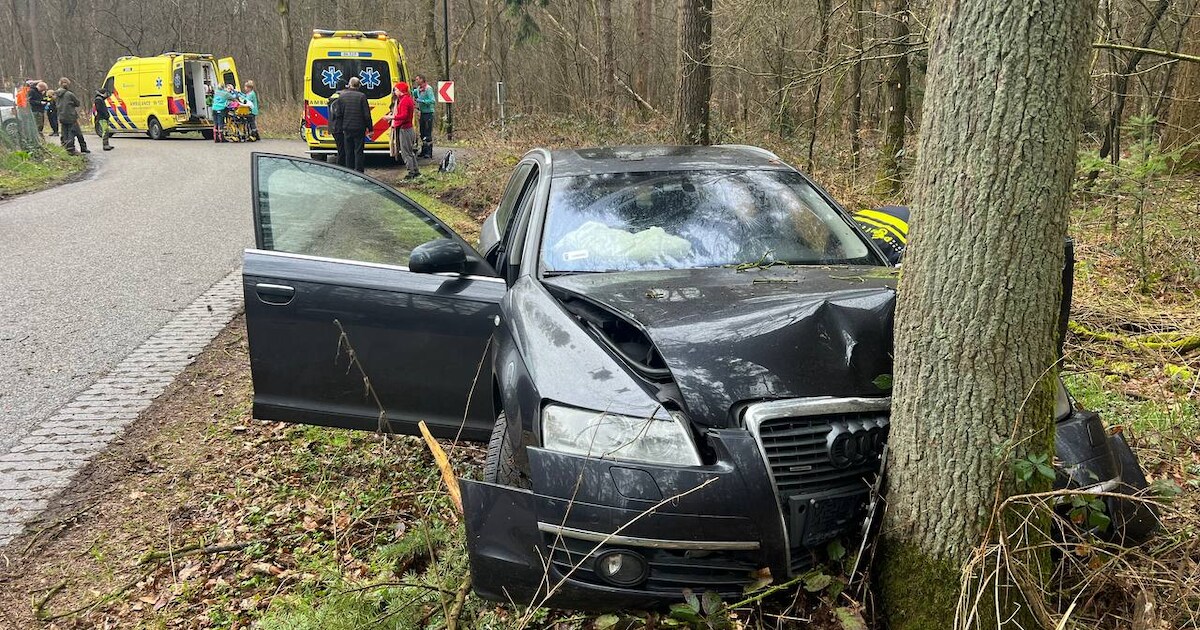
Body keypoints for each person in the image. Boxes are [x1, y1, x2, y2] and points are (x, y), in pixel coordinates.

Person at [335, 77, 372, 172]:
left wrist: (341, 127)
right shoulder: (362, 96)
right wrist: (370, 128)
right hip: (359, 128)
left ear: (349, 85)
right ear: (359, 85)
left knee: (348, 151)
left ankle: (349, 172)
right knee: (359, 151)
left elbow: (338, 114)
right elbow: (367, 115)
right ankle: (359, 172)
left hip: (347, 128)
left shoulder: (342, 97)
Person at [390, 81, 419, 179]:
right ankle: (415, 170)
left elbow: (404, 115)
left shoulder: (404, 101)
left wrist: (392, 117)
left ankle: (411, 172)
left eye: (396, 90)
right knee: (410, 151)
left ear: (400, 90)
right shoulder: (407, 99)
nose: (395, 92)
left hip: (405, 129)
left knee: (405, 152)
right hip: (408, 128)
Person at [55, 77, 88, 154]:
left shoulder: (56, 94)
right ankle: (71, 148)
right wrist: (72, 104)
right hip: (71, 116)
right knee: (72, 132)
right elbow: (78, 103)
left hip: (61, 116)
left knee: (64, 132)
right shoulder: (69, 94)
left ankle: (65, 146)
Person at [412, 75, 435, 159]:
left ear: (422, 79)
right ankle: (424, 150)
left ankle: (429, 152)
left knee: (427, 133)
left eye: (417, 79)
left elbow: (432, 100)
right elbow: (412, 93)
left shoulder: (428, 89)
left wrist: (422, 101)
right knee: (422, 132)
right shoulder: (418, 89)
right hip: (422, 113)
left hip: (428, 113)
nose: (416, 80)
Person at [328, 89, 345, 166]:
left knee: (341, 149)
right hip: (338, 128)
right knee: (342, 150)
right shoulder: (338, 100)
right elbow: (338, 114)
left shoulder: (333, 98)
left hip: (334, 127)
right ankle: (340, 167)